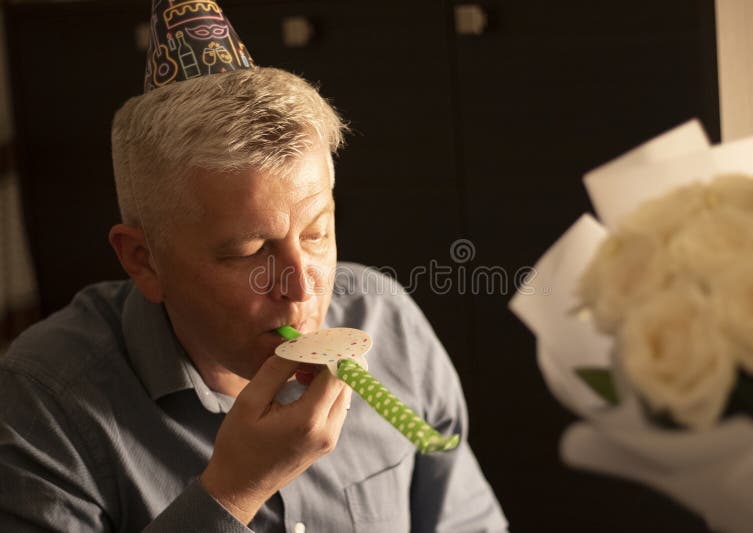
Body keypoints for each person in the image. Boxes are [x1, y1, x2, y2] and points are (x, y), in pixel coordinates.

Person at [0, 2, 507, 532]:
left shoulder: (386, 322)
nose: (300, 286)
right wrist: (233, 492)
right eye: (247, 252)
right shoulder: (44, 401)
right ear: (144, 261)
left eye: (316, 234)